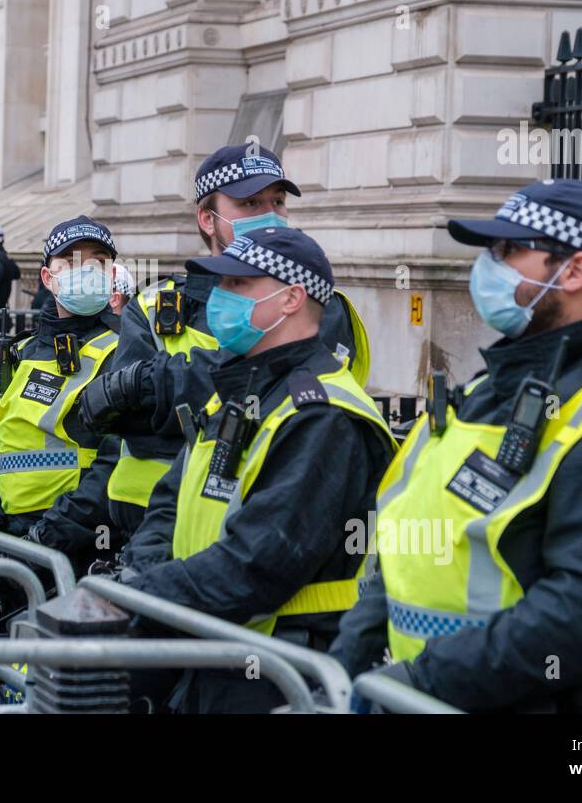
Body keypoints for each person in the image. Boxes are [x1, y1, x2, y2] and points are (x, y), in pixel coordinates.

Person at [330, 178, 582, 713]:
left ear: (575, 271)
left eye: (509, 251)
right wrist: (346, 670)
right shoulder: (479, 394)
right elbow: (397, 553)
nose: (488, 267)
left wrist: (420, 680)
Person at [120, 227, 395, 713]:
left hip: (281, 671)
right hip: (211, 647)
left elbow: (259, 563)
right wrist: (138, 578)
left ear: (290, 299)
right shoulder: (238, 388)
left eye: (238, 286)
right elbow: (169, 503)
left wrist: (143, 596)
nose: (220, 299)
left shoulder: (322, 415)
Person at [82, 143, 371, 550]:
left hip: (261, 527)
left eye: (278, 201)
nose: (269, 215)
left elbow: (285, 388)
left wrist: (158, 384)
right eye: (250, 203)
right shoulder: (152, 304)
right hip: (146, 521)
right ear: (208, 218)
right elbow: (132, 423)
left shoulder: (315, 301)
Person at [0, 216, 121, 586]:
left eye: (97, 262)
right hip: (6, 544)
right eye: (71, 263)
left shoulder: (126, 353)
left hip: (77, 549)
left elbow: (115, 463)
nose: (85, 271)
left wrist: (43, 540)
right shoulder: (20, 352)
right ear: (47, 278)